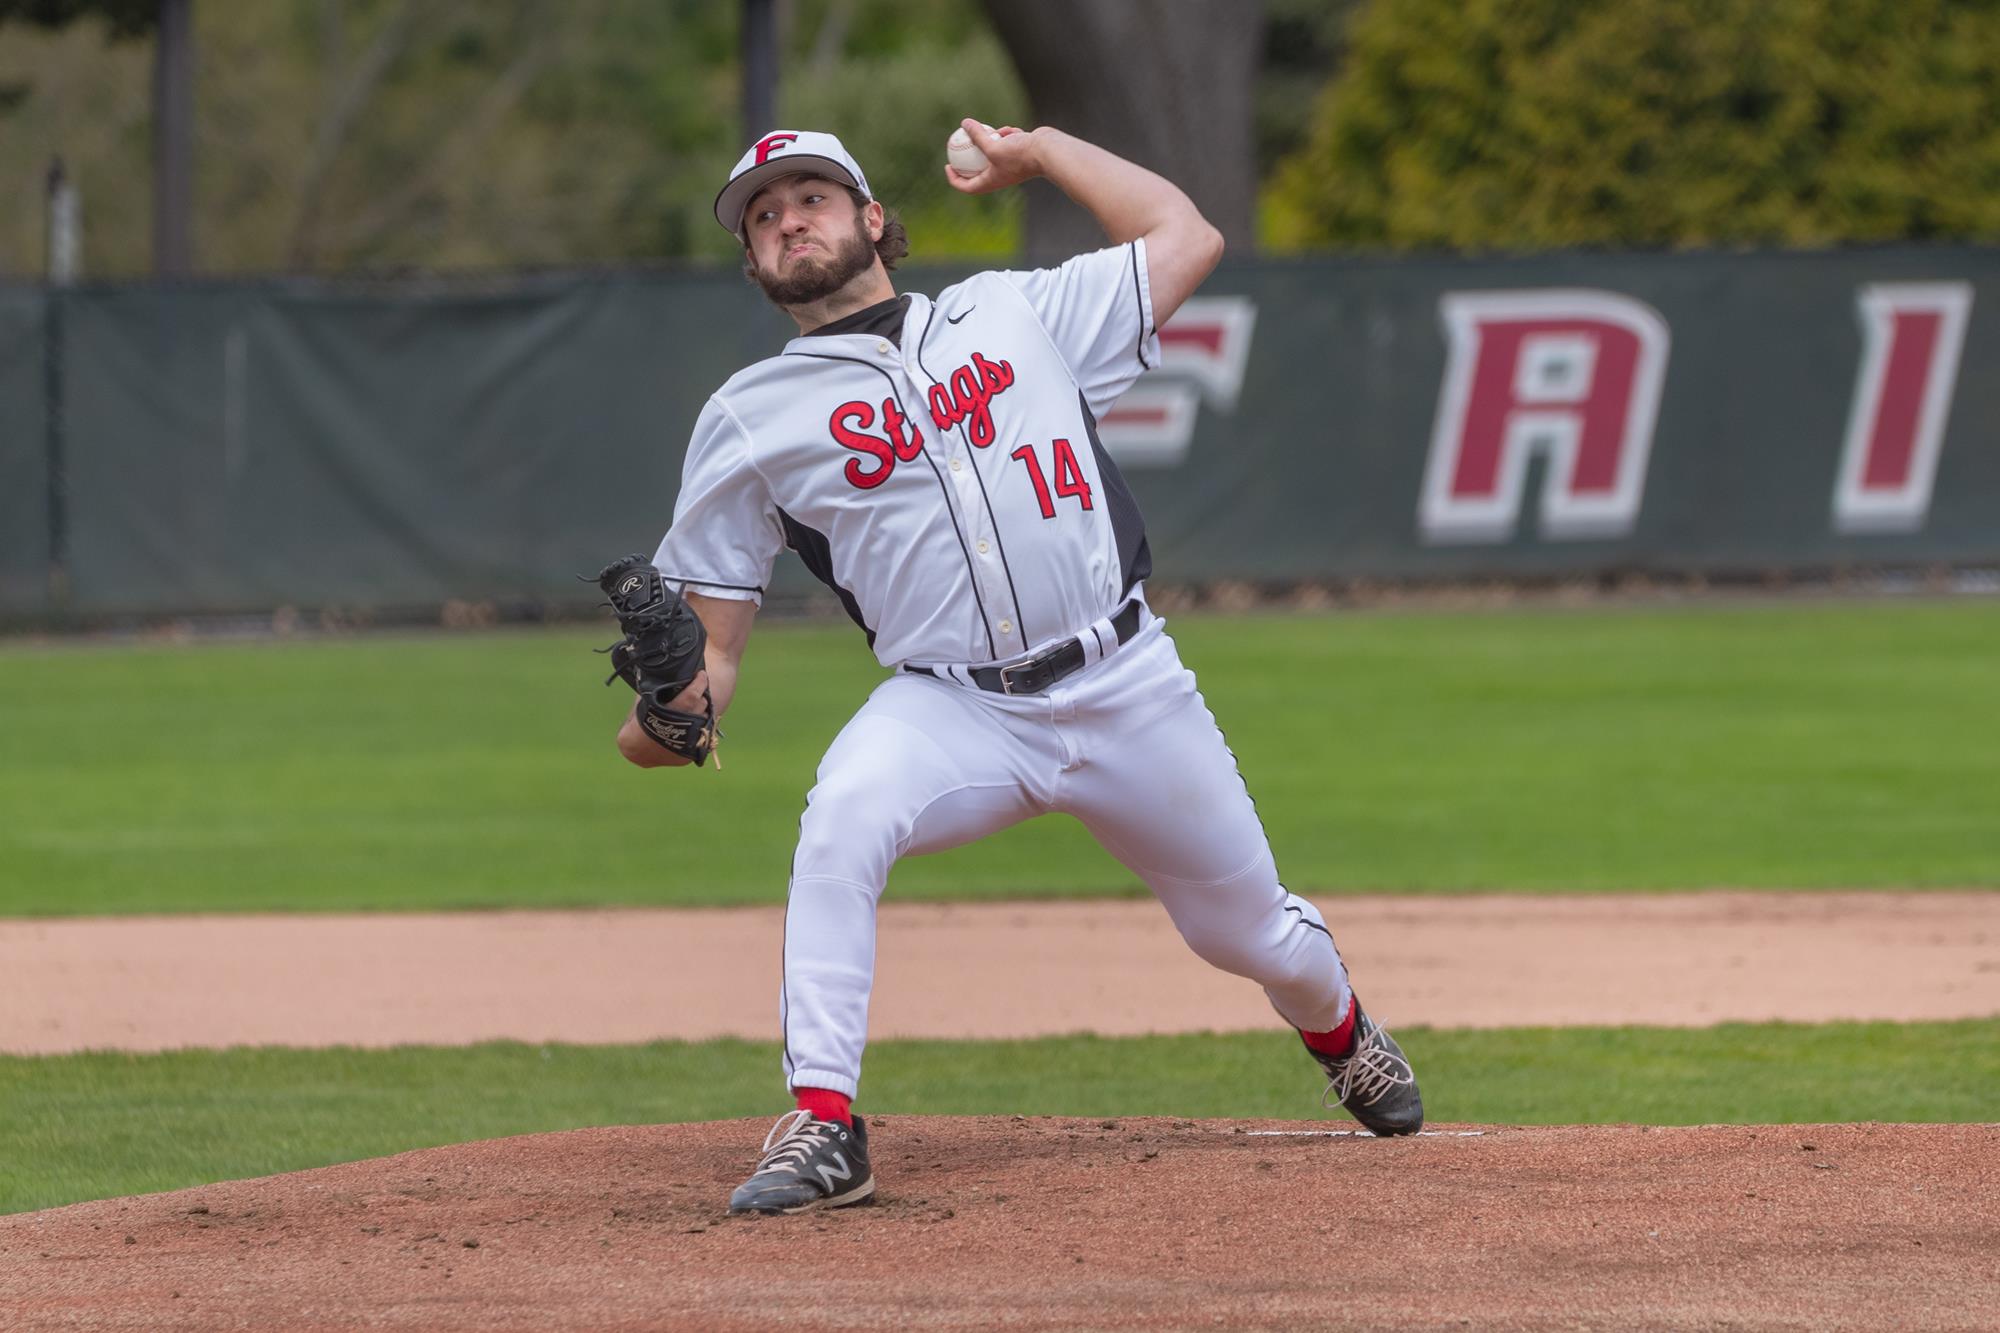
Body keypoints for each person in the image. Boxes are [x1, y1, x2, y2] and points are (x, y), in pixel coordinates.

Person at [617, 122, 1423, 1216]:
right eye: (761, 214)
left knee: (1247, 934)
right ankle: (823, 1121)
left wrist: (1041, 154)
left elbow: (1184, 235)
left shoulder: (1010, 314)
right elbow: (704, 669)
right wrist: (668, 715)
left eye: (808, 195)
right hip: (953, 709)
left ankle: (1340, 1033)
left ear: (869, 219)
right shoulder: (748, 418)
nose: (784, 219)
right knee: (842, 813)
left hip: (1126, 681)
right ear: (754, 261)